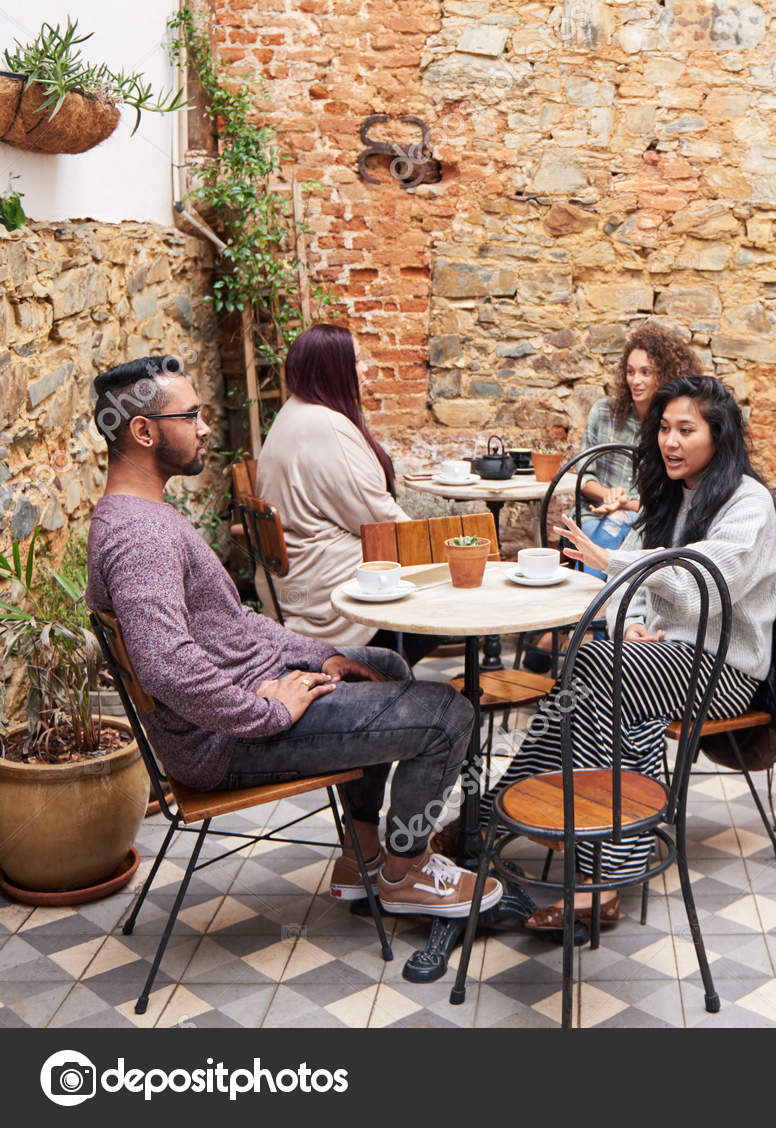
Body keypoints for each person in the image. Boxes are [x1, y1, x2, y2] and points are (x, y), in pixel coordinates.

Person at [85, 354, 500, 917]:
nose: (204, 428)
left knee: (384, 666)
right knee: (448, 715)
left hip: (242, 699)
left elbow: (234, 623)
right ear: (142, 431)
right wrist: (268, 711)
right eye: (190, 416)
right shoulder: (141, 536)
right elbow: (166, 665)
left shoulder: (139, 514)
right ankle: (406, 872)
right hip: (225, 741)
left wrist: (320, 655)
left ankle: (361, 855)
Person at [485, 375, 776, 927]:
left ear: (719, 437)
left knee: (594, 670)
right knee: (603, 676)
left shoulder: (749, 503)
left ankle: (510, 828)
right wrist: (632, 625)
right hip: (662, 658)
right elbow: (632, 584)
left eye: (686, 430)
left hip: (725, 670)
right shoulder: (670, 492)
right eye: (665, 428)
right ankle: (595, 854)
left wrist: (616, 566)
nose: (670, 441)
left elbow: (699, 587)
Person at [255, 324, 432, 662]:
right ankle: (380, 679)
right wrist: (430, 543)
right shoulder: (324, 425)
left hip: (298, 582)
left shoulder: (292, 413)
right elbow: (376, 517)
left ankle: (384, 680)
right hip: (326, 593)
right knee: (446, 591)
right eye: (357, 361)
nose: (364, 371)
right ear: (332, 369)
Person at [572, 325, 704, 572]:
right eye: (630, 371)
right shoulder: (603, 413)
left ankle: (595, 595)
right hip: (592, 512)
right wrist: (608, 495)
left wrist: (624, 504)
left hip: (643, 517)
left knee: (616, 530)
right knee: (593, 535)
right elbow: (583, 477)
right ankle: (598, 594)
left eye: (646, 372)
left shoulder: (669, 429)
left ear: (664, 375)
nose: (636, 380)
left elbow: (669, 498)